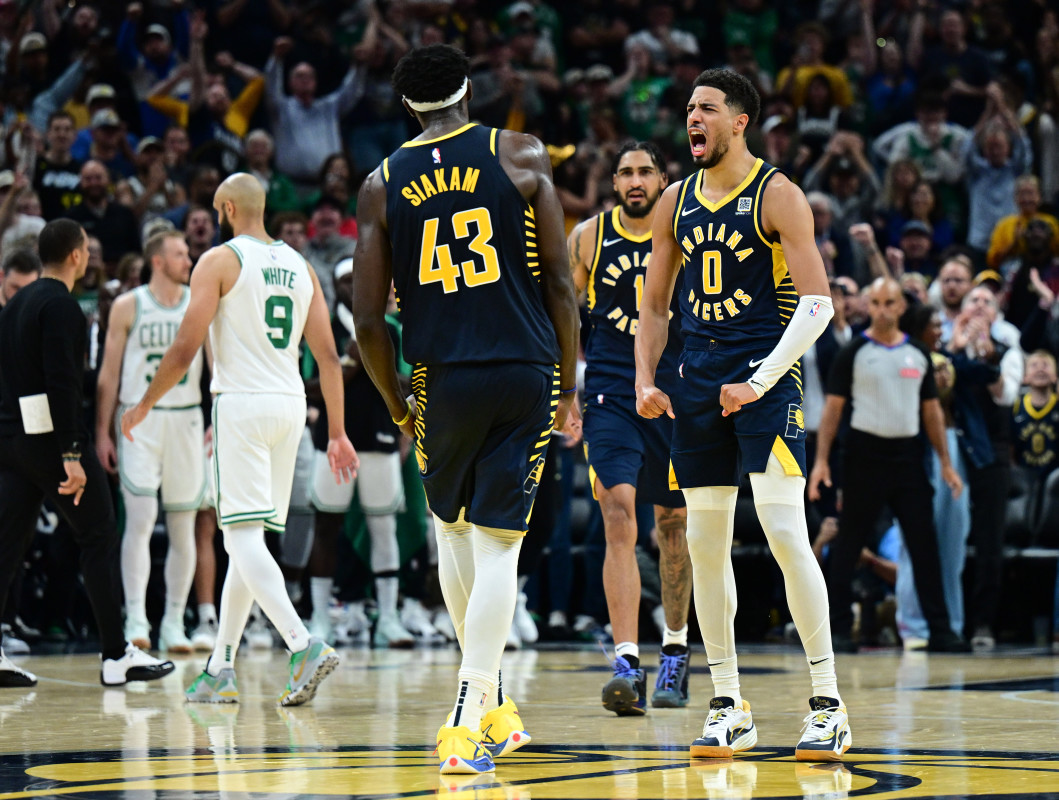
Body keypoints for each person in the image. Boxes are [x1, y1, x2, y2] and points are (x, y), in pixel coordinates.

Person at [351, 45, 580, 775]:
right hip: (522, 367)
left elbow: (363, 323)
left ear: (407, 107)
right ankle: (478, 714)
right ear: (468, 91)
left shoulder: (381, 183)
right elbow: (562, 290)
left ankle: (477, 707)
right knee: (493, 547)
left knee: (454, 535)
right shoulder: (520, 153)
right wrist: (568, 386)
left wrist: (395, 401)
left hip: (440, 376)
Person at [635, 68, 848, 761]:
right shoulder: (673, 200)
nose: (691, 119)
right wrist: (644, 377)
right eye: (687, 110)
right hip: (695, 383)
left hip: (768, 380)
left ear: (739, 121)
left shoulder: (777, 194)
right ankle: (727, 703)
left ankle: (827, 705)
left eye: (705, 109)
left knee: (786, 532)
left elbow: (817, 305)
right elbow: (654, 306)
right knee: (703, 544)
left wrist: (758, 380)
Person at [121, 173, 357, 706]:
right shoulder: (302, 266)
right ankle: (220, 666)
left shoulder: (220, 260)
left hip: (243, 405)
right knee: (244, 542)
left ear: (227, 208)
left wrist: (142, 404)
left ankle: (301, 644)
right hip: (291, 407)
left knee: (241, 539)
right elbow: (327, 357)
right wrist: (337, 432)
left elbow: (183, 349)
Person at [0, 218, 175, 688]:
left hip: (12, 443)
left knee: (8, 543)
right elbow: (63, 384)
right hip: (52, 445)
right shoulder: (63, 307)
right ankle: (117, 656)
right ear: (77, 255)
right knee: (98, 533)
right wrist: (72, 455)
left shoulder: (15, 305)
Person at [567, 140, 692, 715]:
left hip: (674, 390)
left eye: (645, 171)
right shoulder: (588, 237)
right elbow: (565, 319)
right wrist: (565, 390)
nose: (636, 180)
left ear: (663, 180)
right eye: (625, 173)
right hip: (612, 391)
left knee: (673, 524)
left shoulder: (686, 230)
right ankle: (625, 661)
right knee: (617, 510)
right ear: (614, 183)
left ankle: (674, 650)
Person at [809, 278, 968, 654]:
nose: (882, 309)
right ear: (869, 305)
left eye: (889, 302)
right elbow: (833, 408)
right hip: (863, 457)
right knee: (847, 546)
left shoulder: (917, 353)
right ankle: (840, 630)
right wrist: (820, 462)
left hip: (908, 458)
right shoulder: (854, 352)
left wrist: (945, 463)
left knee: (924, 546)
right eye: (875, 302)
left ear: (900, 307)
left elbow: (931, 411)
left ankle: (941, 630)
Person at [95, 230, 205, 654]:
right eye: (180, 254)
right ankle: (137, 618)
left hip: (186, 419)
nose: (188, 259)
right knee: (139, 519)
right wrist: (102, 432)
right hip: (138, 420)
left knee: (183, 524)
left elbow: (215, 365)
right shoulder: (129, 305)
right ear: (157, 260)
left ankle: (175, 622)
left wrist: (214, 418)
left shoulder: (199, 302)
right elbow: (108, 373)